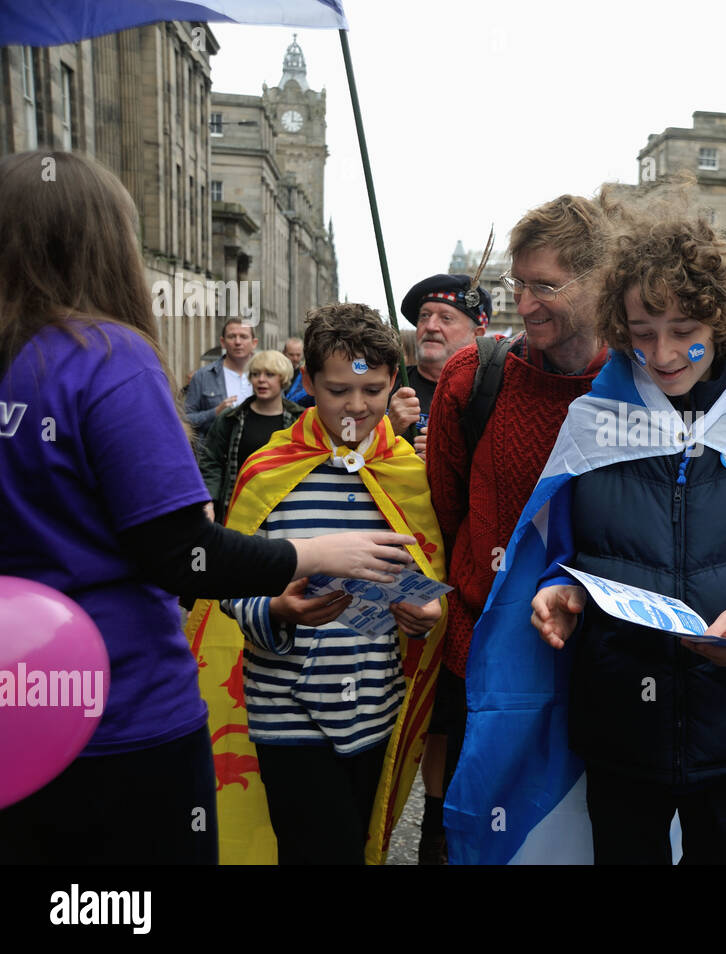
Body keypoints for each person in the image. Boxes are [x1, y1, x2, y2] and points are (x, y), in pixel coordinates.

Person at [0, 150, 422, 864]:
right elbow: (181, 553)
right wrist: (310, 560)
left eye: (371, 391)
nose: (355, 405)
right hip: (124, 707)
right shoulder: (109, 358)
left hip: (20, 709)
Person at [517, 210, 726, 863]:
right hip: (620, 728)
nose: (664, 354)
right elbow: (561, 561)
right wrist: (559, 591)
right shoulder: (593, 421)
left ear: (721, 322)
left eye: (685, 331)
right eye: (642, 332)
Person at [205, 302, 447, 865]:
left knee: (358, 849)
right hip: (284, 709)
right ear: (309, 382)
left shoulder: (409, 472)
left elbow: (426, 581)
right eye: (339, 391)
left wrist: (424, 617)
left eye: (373, 391)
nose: (356, 407)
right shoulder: (268, 468)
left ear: (393, 384)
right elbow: (229, 585)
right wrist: (277, 610)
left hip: (373, 707)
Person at [420, 193, 611, 864]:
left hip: (600, 661)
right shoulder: (474, 379)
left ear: (600, 281)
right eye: (516, 285)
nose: (523, 305)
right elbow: (445, 517)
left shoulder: (640, 382)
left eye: (546, 287)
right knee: (472, 834)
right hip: (483, 659)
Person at [388, 273, 490, 460]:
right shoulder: (385, 385)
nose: (431, 326)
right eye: (424, 316)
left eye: (446, 318)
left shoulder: (489, 396)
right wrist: (388, 430)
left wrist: (450, 461)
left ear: (477, 335)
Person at [199, 349, 304, 524]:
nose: (261, 379)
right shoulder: (231, 419)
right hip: (236, 509)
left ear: (283, 379)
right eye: (255, 374)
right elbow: (211, 461)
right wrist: (210, 501)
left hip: (282, 510)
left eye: (269, 374)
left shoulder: (299, 421)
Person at [185, 316, 258, 437]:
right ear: (223, 342)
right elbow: (186, 419)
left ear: (254, 343)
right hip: (216, 452)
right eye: (232, 336)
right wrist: (215, 412)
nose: (238, 342)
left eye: (243, 337)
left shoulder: (267, 375)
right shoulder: (203, 376)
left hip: (258, 451)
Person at [283, 336, 313, 408]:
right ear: (284, 353)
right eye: (291, 355)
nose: (295, 358)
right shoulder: (275, 374)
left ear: (303, 354)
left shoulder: (307, 376)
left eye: (298, 355)